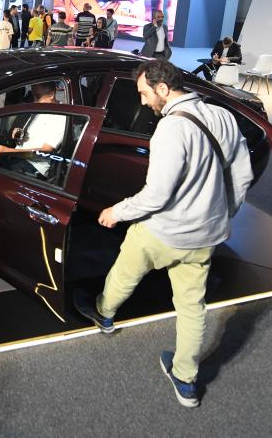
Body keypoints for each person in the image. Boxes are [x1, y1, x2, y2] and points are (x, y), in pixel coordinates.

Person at [74, 60, 253, 408]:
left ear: (162, 89)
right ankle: (186, 381)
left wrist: (116, 212)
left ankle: (104, 313)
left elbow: (157, 195)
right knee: (191, 307)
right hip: (206, 236)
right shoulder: (222, 117)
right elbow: (242, 175)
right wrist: (221, 214)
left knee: (126, 271)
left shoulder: (170, 130)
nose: (142, 102)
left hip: (164, 233)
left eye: (144, 94)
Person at [0, 82, 66, 179]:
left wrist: (7, 151)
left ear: (51, 94)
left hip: (34, 167)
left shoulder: (61, 118)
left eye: (38, 96)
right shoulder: (41, 108)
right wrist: (21, 131)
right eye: (33, 96)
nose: (35, 101)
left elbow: (45, 152)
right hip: (18, 156)